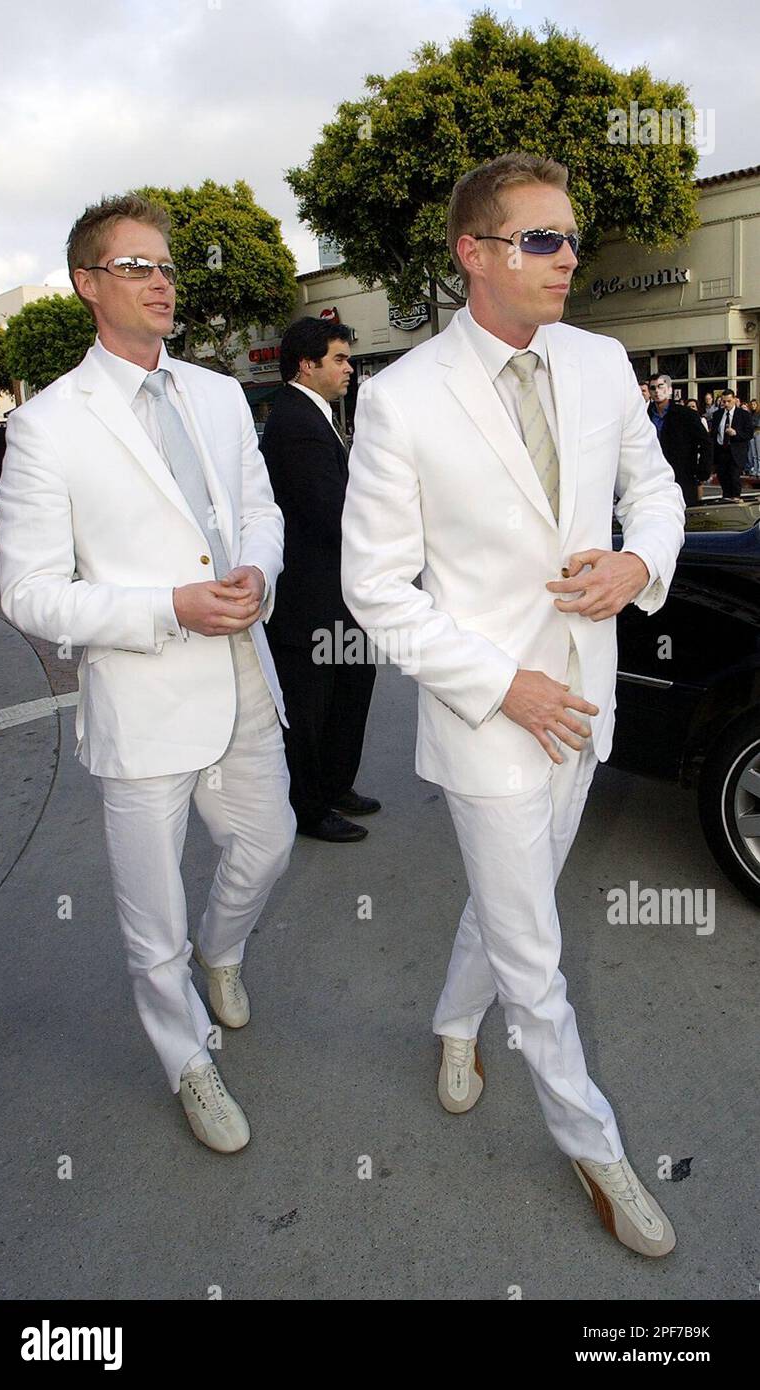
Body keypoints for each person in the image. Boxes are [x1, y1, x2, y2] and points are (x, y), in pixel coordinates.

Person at [341, 152, 685, 1258]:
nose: (568, 257)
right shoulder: (399, 399)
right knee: (534, 953)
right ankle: (598, 1147)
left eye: (571, 237)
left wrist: (640, 566)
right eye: (541, 239)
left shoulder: (601, 360)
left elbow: (658, 490)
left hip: (587, 701)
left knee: (516, 894)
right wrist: (503, 684)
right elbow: (374, 589)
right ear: (474, 253)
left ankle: (451, 1021)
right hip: (490, 717)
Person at [0, 194, 295, 1155]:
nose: (163, 280)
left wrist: (257, 567)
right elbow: (31, 597)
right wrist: (166, 607)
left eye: (166, 265)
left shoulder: (214, 394)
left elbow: (260, 508)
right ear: (89, 284)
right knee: (149, 909)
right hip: (143, 694)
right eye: (138, 267)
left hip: (244, 666)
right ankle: (186, 1060)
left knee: (270, 842)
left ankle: (224, 952)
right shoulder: (48, 426)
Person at [261, 317, 379, 843]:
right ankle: (309, 808)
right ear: (306, 366)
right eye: (339, 359)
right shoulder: (294, 421)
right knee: (311, 708)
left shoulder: (317, 415)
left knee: (351, 690)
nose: (349, 368)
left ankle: (335, 785)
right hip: (311, 600)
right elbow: (330, 511)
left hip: (340, 595)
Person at [647, 374, 712, 507]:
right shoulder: (644, 416)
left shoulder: (686, 415)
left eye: (661, 387)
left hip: (682, 474)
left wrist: (702, 470)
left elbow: (706, 442)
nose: (657, 391)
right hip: (653, 475)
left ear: (670, 390)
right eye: (653, 388)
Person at [711, 388, 753, 499]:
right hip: (721, 451)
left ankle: (735, 498)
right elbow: (713, 434)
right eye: (724, 401)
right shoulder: (717, 415)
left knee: (734, 477)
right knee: (723, 477)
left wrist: (736, 433)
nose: (726, 404)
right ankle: (726, 498)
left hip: (736, 451)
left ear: (734, 399)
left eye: (729, 401)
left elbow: (749, 433)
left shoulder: (743, 415)